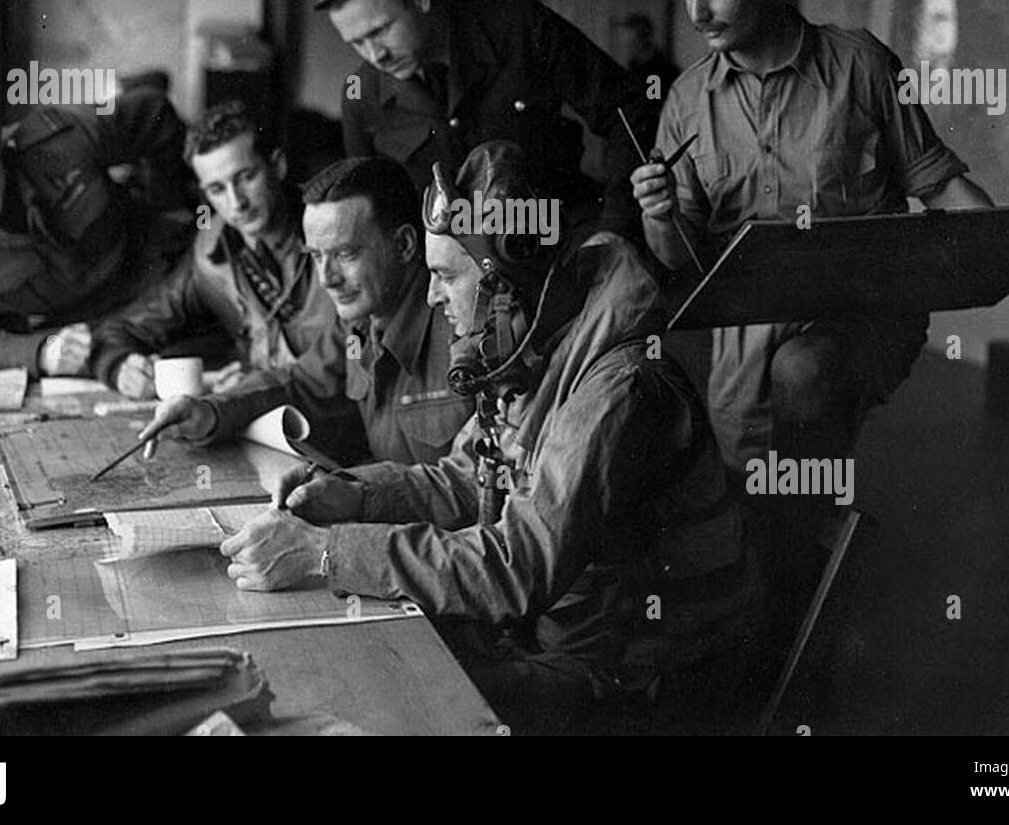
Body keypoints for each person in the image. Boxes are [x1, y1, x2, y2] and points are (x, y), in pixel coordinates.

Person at [149, 141, 757, 734]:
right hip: (560, 642)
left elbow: (518, 566)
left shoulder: (618, 388)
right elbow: (468, 476)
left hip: (636, 680)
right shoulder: (536, 345)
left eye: (445, 276)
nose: (433, 292)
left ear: (505, 283)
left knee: (375, 704)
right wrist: (353, 496)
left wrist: (325, 553)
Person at [631, 0, 995, 654]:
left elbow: (939, 183)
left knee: (807, 382)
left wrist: (1007, 241)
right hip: (748, 338)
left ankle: (795, 647)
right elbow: (676, 261)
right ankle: (789, 620)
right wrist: (661, 213)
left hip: (867, 314)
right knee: (757, 491)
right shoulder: (688, 100)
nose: (696, 13)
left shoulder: (860, 63)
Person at [306, 0, 646, 240]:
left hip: (559, 243)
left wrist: (616, 229)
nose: (375, 55)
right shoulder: (362, 96)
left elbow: (629, 110)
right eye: (356, 42)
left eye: (380, 31)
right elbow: (375, 216)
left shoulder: (521, 28)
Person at [140, 156, 473, 468]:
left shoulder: (463, 328)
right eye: (316, 256)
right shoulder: (359, 325)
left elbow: (463, 488)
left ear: (404, 246)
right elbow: (299, 384)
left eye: (345, 254)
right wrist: (209, 411)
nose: (327, 279)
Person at [0, 90, 187, 376]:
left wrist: (168, 210)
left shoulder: (61, 139)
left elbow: (153, 111)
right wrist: (41, 353)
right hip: (81, 344)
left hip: (162, 298)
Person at [91, 102, 340, 401]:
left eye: (246, 177)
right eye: (217, 190)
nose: (237, 203)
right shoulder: (212, 253)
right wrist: (121, 367)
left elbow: (354, 358)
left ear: (277, 166)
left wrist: (252, 386)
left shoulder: (335, 231)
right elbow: (121, 329)